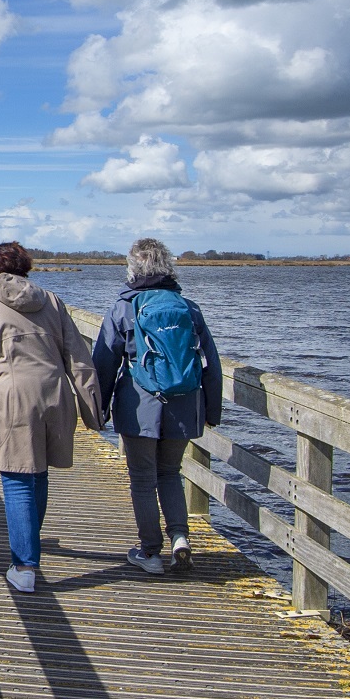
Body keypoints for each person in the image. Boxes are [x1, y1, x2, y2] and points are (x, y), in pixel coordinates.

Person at [0, 241, 102, 593]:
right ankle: (30, 542)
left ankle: (24, 566)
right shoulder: (52, 302)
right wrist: (93, 411)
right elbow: (78, 357)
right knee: (39, 472)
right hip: (54, 396)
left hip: (12, 400)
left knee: (17, 479)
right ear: (26, 267)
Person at [92, 238, 223, 576]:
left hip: (140, 407)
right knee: (170, 473)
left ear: (132, 268)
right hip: (185, 404)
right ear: (169, 266)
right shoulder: (189, 309)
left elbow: (104, 362)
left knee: (142, 478)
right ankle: (180, 537)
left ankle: (150, 553)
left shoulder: (124, 308)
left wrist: (98, 407)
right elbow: (211, 363)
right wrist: (211, 411)